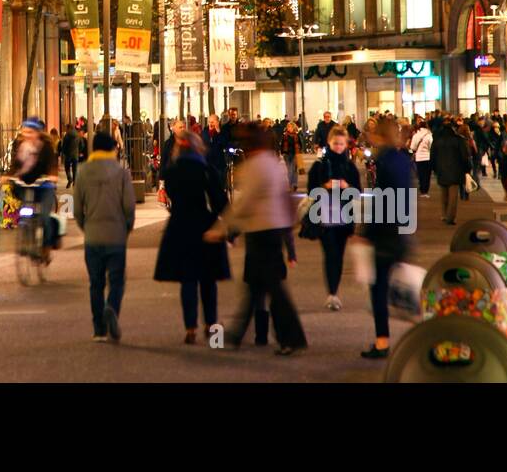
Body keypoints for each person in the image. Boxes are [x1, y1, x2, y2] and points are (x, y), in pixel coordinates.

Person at [211, 124, 307, 356]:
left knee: (271, 288)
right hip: (272, 229)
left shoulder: (256, 165)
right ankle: (238, 334)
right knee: (255, 287)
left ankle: (290, 337)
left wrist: (222, 227)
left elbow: (245, 202)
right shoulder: (273, 163)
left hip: (261, 231)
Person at [154, 129, 231, 344]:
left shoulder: (172, 171)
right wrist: (230, 230)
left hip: (180, 228)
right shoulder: (207, 170)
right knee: (208, 280)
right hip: (206, 229)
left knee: (187, 280)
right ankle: (211, 325)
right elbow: (220, 202)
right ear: (199, 147)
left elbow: (172, 197)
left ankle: (190, 328)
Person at [355, 117, 416, 358]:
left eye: (373, 133)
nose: (370, 137)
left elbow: (380, 200)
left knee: (379, 289)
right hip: (400, 230)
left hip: (385, 234)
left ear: (380, 136)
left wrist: (365, 231)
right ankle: (416, 330)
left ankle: (382, 342)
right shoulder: (402, 159)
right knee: (394, 285)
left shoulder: (384, 161)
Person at [74, 132, 135, 342]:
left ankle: (99, 329)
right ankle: (112, 308)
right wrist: (127, 228)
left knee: (96, 283)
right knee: (117, 281)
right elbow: (129, 207)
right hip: (116, 235)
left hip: (92, 236)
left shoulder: (82, 172)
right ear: (112, 149)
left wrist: (86, 227)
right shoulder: (122, 173)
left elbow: (76, 211)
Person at [307, 123, 361, 310]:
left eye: (341, 144)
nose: (338, 147)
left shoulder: (349, 166)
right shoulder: (320, 165)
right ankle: (331, 294)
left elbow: (357, 192)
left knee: (339, 255)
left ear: (346, 144)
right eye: (335, 143)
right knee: (330, 253)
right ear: (329, 142)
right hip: (324, 215)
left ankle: (334, 292)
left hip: (344, 216)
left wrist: (348, 187)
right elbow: (311, 190)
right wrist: (325, 186)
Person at [9, 118, 60, 257]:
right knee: (25, 212)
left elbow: (52, 164)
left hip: (44, 187)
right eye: (24, 132)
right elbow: (16, 165)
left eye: (30, 132)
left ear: (37, 133)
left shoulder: (46, 147)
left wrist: (52, 176)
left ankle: (46, 247)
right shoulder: (21, 147)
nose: (26, 135)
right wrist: (9, 176)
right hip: (27, 185)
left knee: (44, 216)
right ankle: (26, 240)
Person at [432, 121, 471, 225]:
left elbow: (432, 156)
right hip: (456, 170)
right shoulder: (459, 140)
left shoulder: (437, 141)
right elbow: (465, 156)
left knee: (443, 194)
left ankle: (444, 214)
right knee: (453, 195)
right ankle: (451, 217)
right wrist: (467, 169)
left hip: (441, 170)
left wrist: (435, 168)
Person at [409, 119, 433, 198]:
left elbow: (412, 147)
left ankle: (422, 190)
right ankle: (425, 191)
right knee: (427, 175)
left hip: (419, 157)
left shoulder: (416, 135)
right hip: (427, 157)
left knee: (421, 174)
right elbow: (431, 147)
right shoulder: (429, 135)